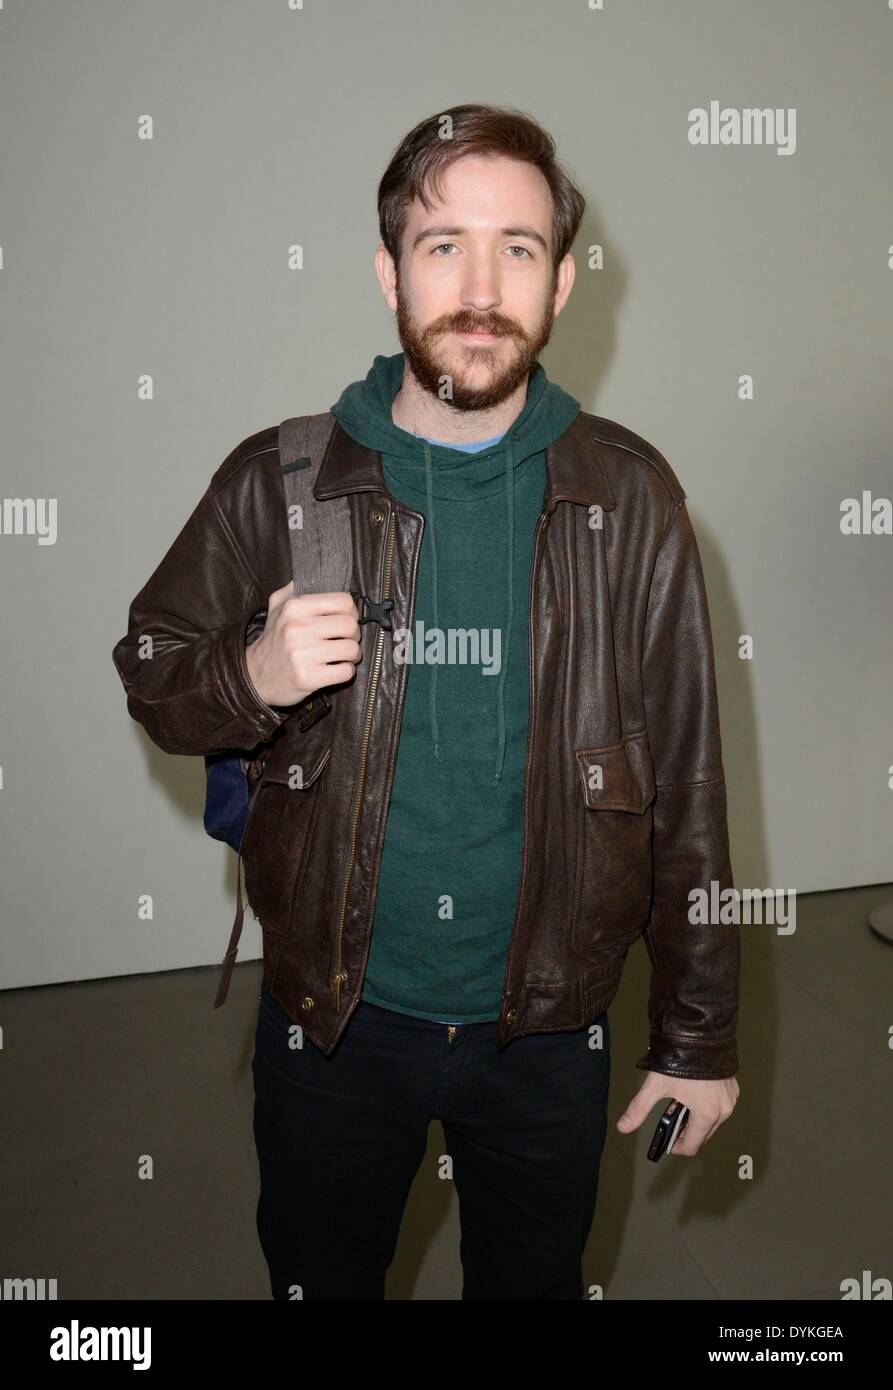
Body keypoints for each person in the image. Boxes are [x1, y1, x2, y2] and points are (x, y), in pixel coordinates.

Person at [112, 103, 740, 1301]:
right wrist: (250, 677)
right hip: (335, 1024)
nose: (479, 284)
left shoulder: (631, 497)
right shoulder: (281, 479)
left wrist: (697, 1039)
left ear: (560, 283)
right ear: (388, 269)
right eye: (442, 243)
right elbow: (151, 668)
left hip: (548, 1034)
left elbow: (692, 786)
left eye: (516, 247)